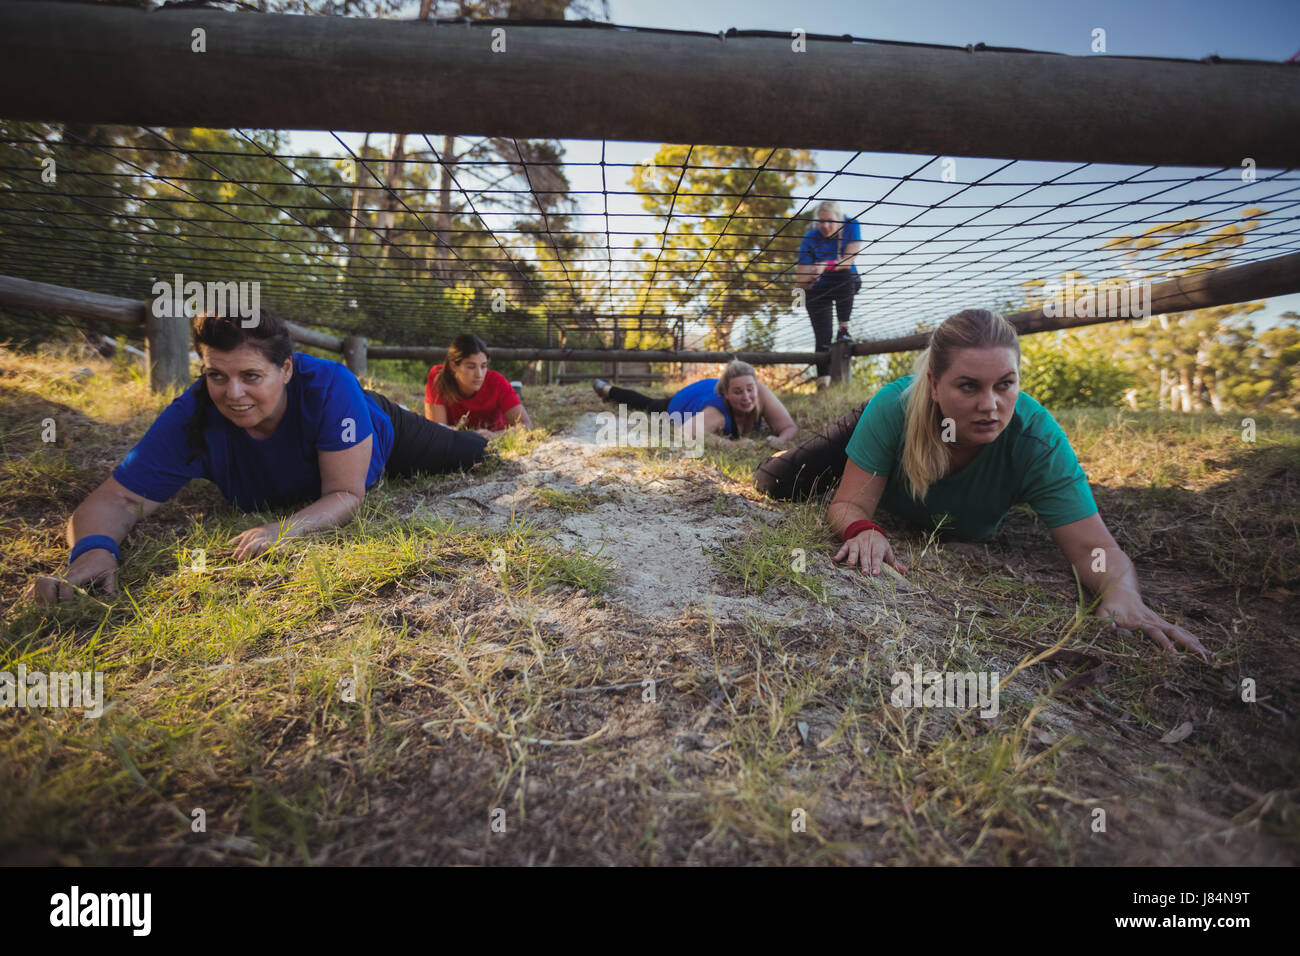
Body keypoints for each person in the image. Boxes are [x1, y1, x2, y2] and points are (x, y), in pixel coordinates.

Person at [756, 308, 1209, 658]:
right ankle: (822, 456)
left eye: (1005, 384)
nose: (990, 405)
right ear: (934, 385)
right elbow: (848, 508)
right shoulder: (896, 406)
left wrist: (1121, 593)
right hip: (879, 428)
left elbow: (1098, 548)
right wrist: (862, 529)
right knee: (777, 481)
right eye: (969, 387)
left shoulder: (1037, 440)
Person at [23, 311, 487, 604]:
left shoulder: (329, 383)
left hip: (382, 431)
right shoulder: (193, 414)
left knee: (473, 452)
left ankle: (423, 419)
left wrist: (281, 530)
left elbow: (347, 493)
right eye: (217, 375)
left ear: (286, 369)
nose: (233, 393)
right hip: (338, 446)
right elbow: (115, 499)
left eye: (250, 375)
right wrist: (92, 552)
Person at [592, 359, 798, 445]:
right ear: (726, 394)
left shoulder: (758, 391)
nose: (746, 397)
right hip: (685, 401)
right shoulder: (716, 413)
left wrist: (779, 441)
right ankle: (608, 390)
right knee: (650, 405)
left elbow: (789, 427)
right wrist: (733, 445)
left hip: (713, 387)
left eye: (749, 390)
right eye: (738, 392)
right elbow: (684, 434)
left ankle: (609, 390)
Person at [796, 200, 863, 390]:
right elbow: (801, 278)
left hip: (845, 282)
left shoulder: (851, 225)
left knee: (844, 273)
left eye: (830, 221)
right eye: (820, 221)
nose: (825, 226)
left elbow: (848, 261)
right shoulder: (810, 237)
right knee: (822, 339)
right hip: (817, 290)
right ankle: (823, 387)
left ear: (839, 219)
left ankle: (844, 329)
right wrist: (811, 277)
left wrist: (825, 266)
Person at [424, 334, 532, 439]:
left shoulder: (497, 382)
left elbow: (527, 426)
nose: (479, 375)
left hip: (492, 443)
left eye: (483, 366)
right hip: (455, 442)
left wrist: (495, 436)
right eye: (471, 367)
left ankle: (516, 392)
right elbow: (437, 431)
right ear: (453, 366)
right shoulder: (438, 377)